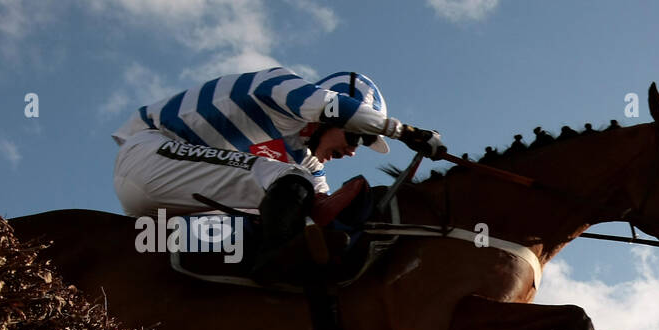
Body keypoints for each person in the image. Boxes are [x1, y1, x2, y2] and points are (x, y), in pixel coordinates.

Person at [110, 67, 446, 279]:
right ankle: (276, 268)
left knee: (268, 221)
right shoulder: (281, 88)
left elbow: (318, 207)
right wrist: (404, 132)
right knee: (289, 183)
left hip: (159, 208)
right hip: (149, 156)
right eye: (357, 135)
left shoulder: (302, 158)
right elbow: (331, 105)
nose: (353, 152)